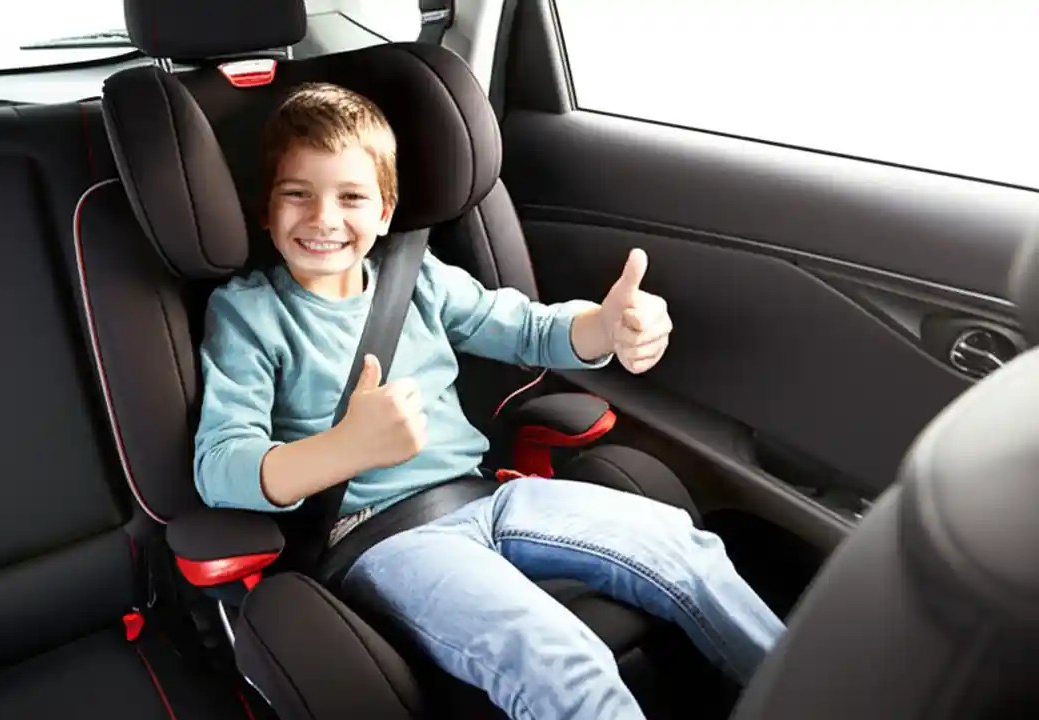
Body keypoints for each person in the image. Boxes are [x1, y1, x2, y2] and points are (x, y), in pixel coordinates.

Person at [193, 82, 784, 719]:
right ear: (264, 210)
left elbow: (527, 328)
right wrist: (344, 450)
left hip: (489, 496)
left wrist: (605, 327)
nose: (323, 218)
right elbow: (219, 463)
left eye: (352, 197)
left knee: (685, 552)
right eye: (297, 195)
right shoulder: (250, 313)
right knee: (559, 658)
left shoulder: (413, 277)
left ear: (387, 211)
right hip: (381, 538)